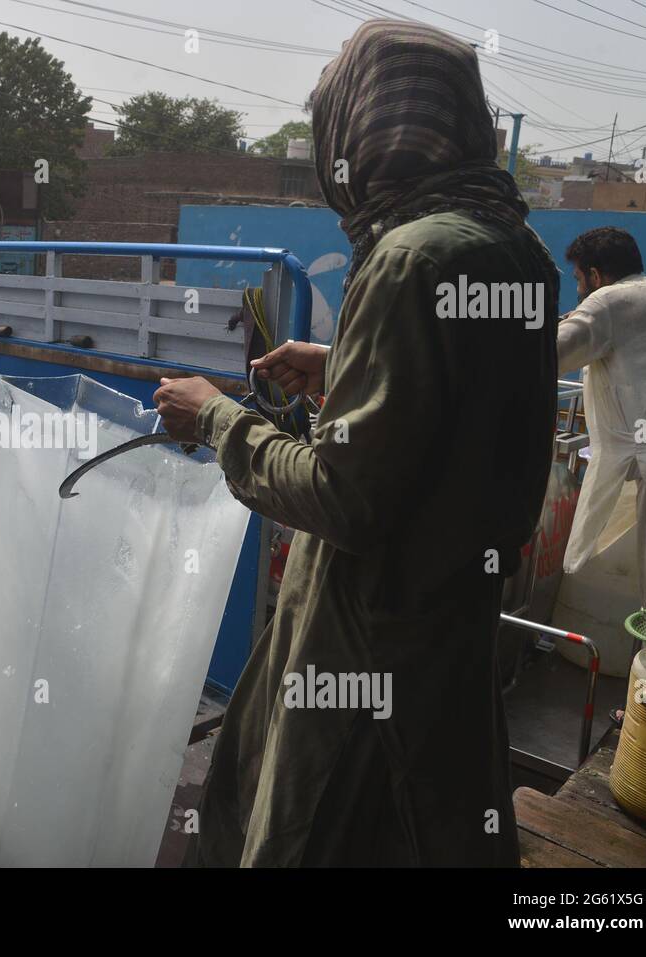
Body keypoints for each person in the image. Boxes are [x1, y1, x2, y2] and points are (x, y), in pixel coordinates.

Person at [152, 19, 560, 866]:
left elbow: (345, 497)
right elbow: (462, 398)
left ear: (365, 132)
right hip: (451, 641)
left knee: (321, 827)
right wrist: (345, 362)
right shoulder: (516, 249)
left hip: (365, 651)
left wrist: (220, 418)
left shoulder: (405, 261)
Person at [557, 227, 646, 610]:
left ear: (596, 276)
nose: (580, 289)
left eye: (580, 279)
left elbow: (550, 354)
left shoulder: (610, 301)